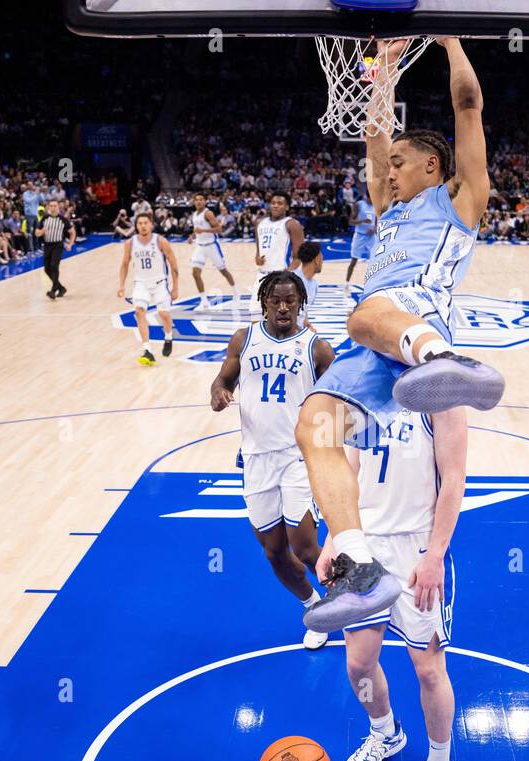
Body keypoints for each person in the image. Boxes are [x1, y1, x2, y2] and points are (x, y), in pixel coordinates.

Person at [295, 37, 503, 634]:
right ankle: (361, 566)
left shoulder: (459, 199)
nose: (386, 172)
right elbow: (374, 131)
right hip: (378, 346)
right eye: (385, 168)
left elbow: (467, 104)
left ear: (431, 167)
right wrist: (381, 67)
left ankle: (444, 361)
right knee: (314, 424)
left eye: (398, 164)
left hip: (420, 315)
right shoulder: (387, 212)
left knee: (364, 312)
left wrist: (449, 39)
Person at [317, 403, 467, 761]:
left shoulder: (441, 396)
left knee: (429, 670)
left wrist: (435, 555)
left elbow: (454, 480)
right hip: (363, 547)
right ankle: (385, 733)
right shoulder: (360, 390)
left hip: (416, 549)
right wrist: (333, 538)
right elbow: (345, 474)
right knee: (359, 664)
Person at [210, 272, 336, 649]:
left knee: (305, 547)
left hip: (299, 456)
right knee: (274, 553)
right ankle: (315, 608)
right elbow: (222, 381)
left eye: (291, 301)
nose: (283, 307)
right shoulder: (244, 339)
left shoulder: (316, 347)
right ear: (264, 302)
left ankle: (353, 599)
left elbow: (340, 396)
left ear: (301, 303)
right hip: (256, 458)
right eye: (276, 300)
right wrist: (218, 394)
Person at [117, 213, 179, 365]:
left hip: (160, 283)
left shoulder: (160, 241)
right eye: (140, 223)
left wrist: (175, 287)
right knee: (139, 312)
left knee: (163, 314)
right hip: (141, 283)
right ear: (136, 226)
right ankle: (147, 350)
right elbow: (125, 264)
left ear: (151, 224)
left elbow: (173, 263)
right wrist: (121, 285)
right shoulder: (130, 243)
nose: (143, 226)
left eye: (146, 223)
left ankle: (168, 337)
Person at [249, 192, 304, 313]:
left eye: (280, 203)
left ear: (287, 207)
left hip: (282, 276)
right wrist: (257, 259)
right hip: (262, 275)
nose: (275, 206)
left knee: (282, 318)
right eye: (273, 203)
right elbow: (258, 252)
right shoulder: (260, 223)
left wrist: (287, 275)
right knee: (255, 315)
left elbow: (299, 257)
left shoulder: (292, 224)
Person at [187, 193, 239, 316]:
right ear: (194, 202)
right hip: (200, 246)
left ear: (205, 201)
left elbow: (219, 229)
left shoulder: (208, 213)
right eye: (196, 200)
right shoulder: (194, 214)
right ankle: (204, 301)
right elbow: (197, 229)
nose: (198, 202)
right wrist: (192, 236)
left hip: (212, 246)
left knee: (223, 271)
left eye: (201, 199)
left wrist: (203, 231)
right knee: (195, 273)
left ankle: (236, 292)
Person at [36, 199, 75, 299]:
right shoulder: (44, 218)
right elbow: (36, 233)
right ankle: (61, 288)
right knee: (47, 269)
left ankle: (53, 290)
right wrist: (42, 232)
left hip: (58, 245)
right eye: (51, 206)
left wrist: (70, 244)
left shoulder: (63, 219)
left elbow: (72, 232)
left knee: (54, 266)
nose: (53, 207)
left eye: (55, 206)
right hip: (47, 245)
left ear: (58, 207)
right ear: (49, 207)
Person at [344, 191, 376, 287]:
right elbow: (350, 222)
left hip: (372, 237)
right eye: (370, 198)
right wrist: (363, 221)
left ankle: (373, 283)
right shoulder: (358, 205)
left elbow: (378, 220)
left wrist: (374, 229)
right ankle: (346, 282)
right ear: (366, 197)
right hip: (360, 235)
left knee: (375, 260)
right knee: (354, 260)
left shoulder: (376, 205)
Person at [292, 241, 322, 331]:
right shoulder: (291, 280)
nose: (322, 264)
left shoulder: (314, 285)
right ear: (317, 259)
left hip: (298, 331)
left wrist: (307, 324)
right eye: (322, 260)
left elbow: (303, 308)